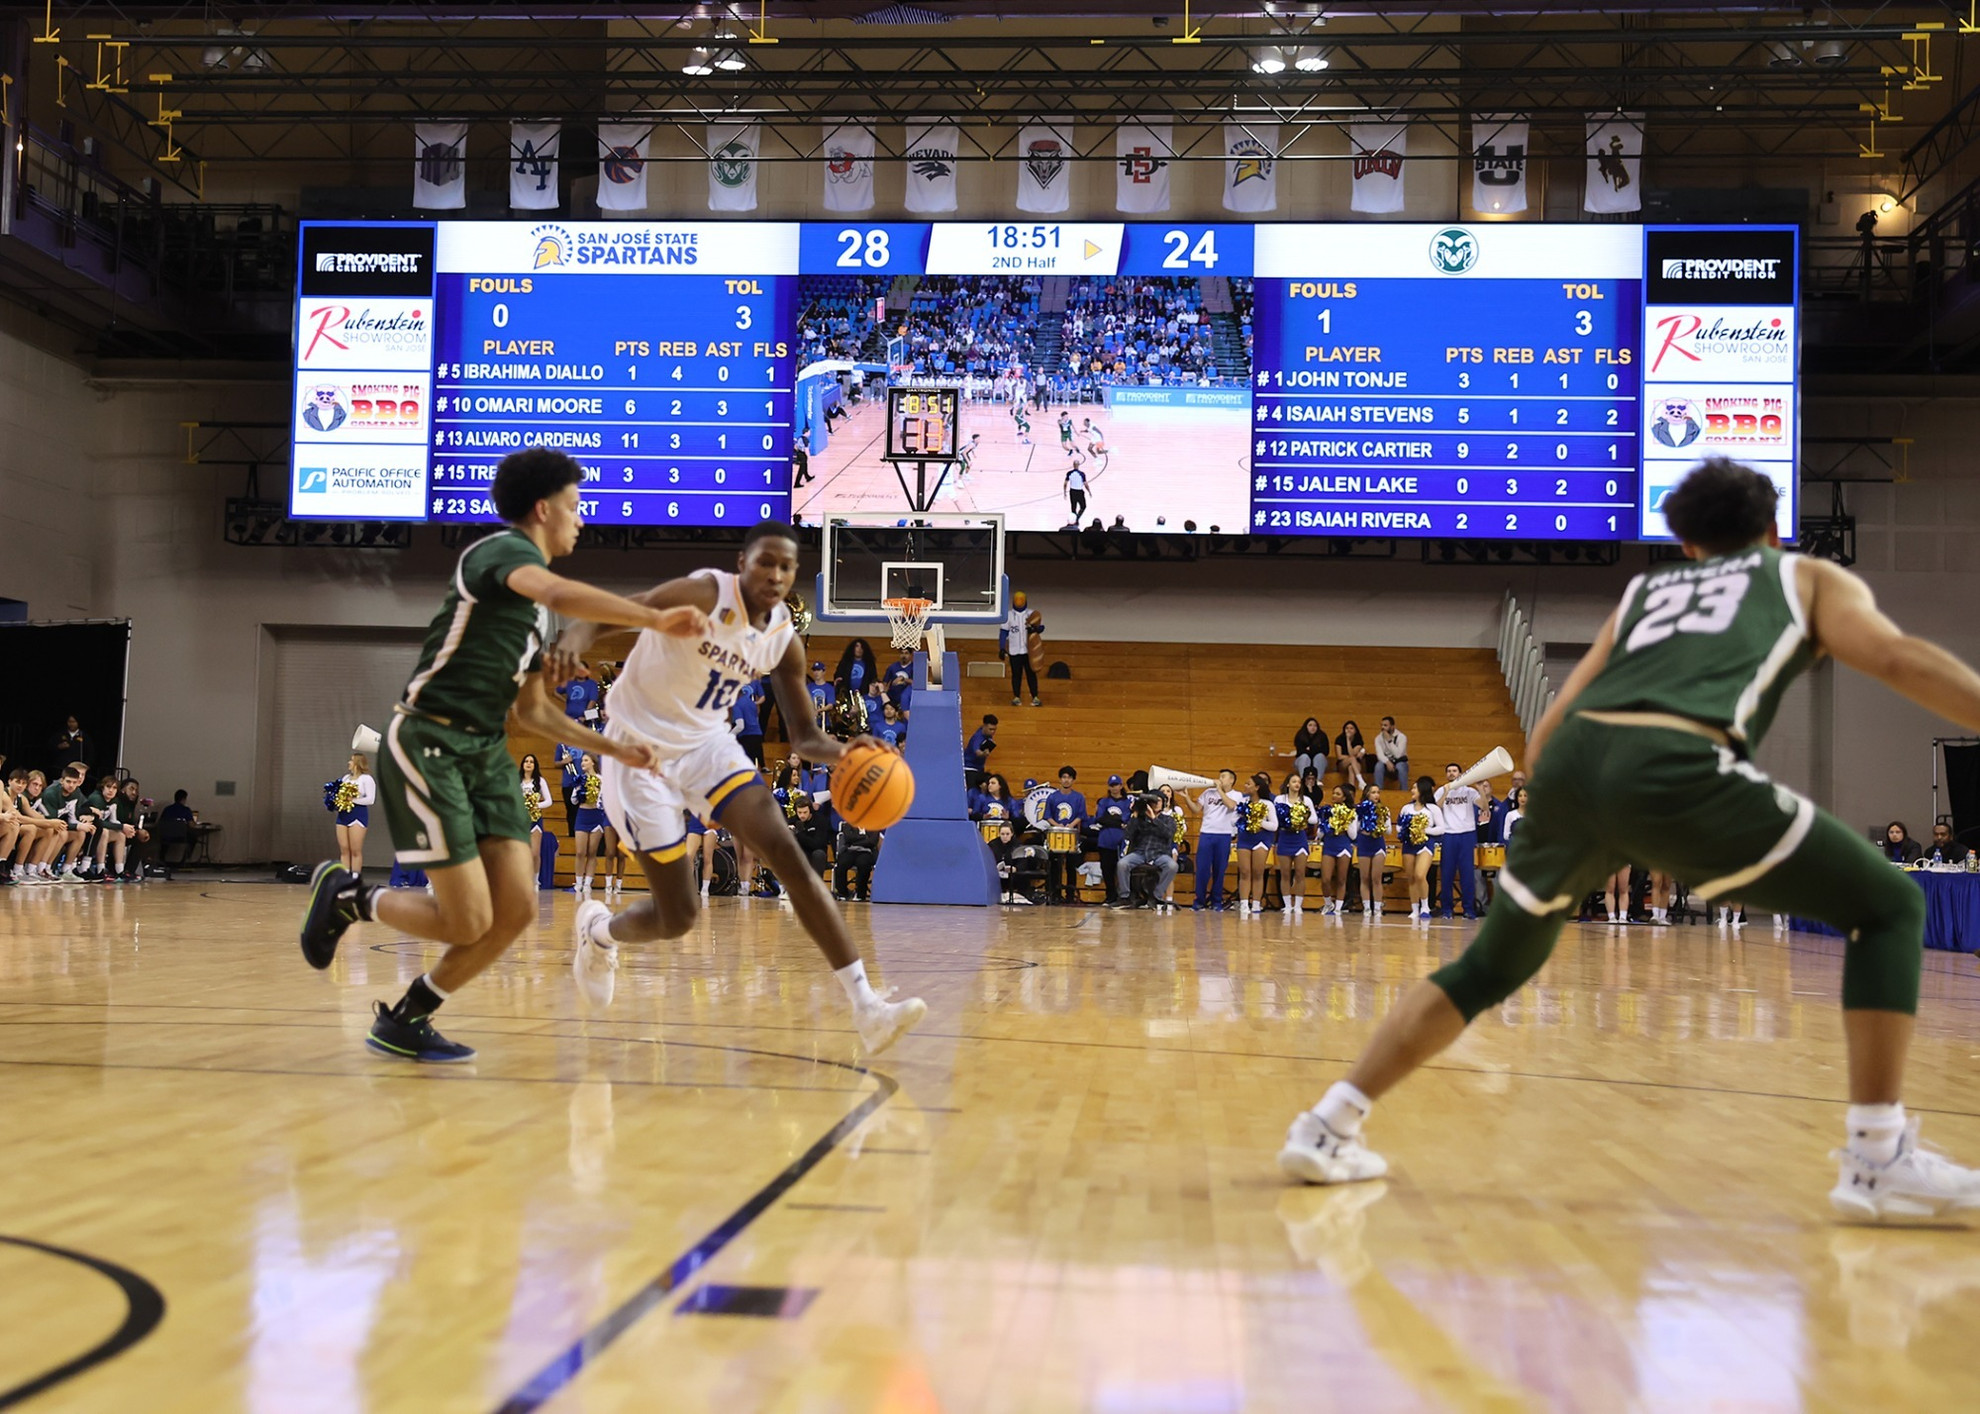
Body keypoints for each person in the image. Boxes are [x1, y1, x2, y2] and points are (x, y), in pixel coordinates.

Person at [1278, 456, 1980, 1224]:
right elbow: (1898, 658)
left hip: (1573, 768)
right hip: (1670, 761)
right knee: (1886, 907)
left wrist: (1598, 823)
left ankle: (1328, 1124)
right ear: (1775, 530)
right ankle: (1878, 1158)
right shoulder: (1806, 578)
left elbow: (1544, 735)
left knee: (1487, 968)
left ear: (1684, 545)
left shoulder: (1647, 593)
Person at [296, 447, 690, 1064]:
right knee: (464, 919)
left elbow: (531, 712)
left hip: (484, 754)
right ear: (543, 508)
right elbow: (559, 590)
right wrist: (652, 617)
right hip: (430, 743)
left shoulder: (533, 611)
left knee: (516, 911)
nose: (581, 519)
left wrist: (613, 747)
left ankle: (408, 1019)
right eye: (575, 505)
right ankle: (352, 897)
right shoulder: (503, 553)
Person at [553, 519, 926, 1055]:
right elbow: (620, 611)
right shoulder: (704, 594)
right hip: (639, 751)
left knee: (789, 856)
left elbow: (803, 738)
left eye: (786, 566)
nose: (775, 574)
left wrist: (849, 751)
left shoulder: (782, 642)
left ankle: (868, 1008)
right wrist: (573, 636)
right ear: (742, 564)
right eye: (765, 562)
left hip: (707, 745)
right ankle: (599, 934)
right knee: (678, 916)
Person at [1109, 793, 1178, 911]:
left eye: (1159, 801)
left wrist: (1154, 819)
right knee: (1122, 864)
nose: (1156, 804)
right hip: (1140, 852)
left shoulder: (1169, 819)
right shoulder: (1140, 819)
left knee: (1172, 866)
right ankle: (1124, 897)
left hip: (1160, 853)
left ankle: (1156, 896)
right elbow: (1128, 835)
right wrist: (1135, 815)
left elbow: (1169, 834)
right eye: (1154, 801)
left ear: (1164, 803)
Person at [1185, 769, 1241, 911]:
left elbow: (1231, 805)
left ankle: (1216, 901)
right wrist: (1186, 798)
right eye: (1219, 776)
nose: (1220, 779)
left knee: (1219, 869)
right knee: (1202, 869)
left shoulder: (1237, 795)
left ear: (1231, 780)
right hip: (1206, 833)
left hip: (1224, 835)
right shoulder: (1208, 793)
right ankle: (1199, 901)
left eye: (1223, 777)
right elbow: (1196, 809)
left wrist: (1220, 791)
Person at [1431, 762, 1480, 919]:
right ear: (1446, 775)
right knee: (1447, 874)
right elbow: (1435, 808)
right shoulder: (1442, 790)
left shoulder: (1470, 791)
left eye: (1455, 771)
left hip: (1467, 834)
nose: (1452, 773)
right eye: (1449, 771)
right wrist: (1446, 792)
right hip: (1449, 834)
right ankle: (1447, 910)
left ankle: (1469, 910)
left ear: (1461, 773)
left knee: (1467, 874)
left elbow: (1484, 806)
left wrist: (1481, 791)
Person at [1395, 777, 1441, 921]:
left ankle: (1425, 907)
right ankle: (1414, 908)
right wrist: (1404, 831)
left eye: (1415, 788)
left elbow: (1441, 828)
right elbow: (1399, 825)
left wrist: (1424, 830)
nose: (1412, 790)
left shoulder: (1433, 808)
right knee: (1412, 878)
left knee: (1420, 875)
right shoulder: (1406, 808)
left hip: (1425, 844)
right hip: (1409, 845)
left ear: (1422, 790)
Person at [1042, 766, 1088, 904]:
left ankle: (1070, 894)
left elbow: (1081, 815)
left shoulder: (1078, 797)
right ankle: (1054, 893)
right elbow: (1047, 815)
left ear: (1073, 780)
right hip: (1056, 834)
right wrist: (1057, 825)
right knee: (1055, 864)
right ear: (1060, 779)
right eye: (1064, 777)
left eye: (1069, 777)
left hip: (1071, 835)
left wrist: (1071, 825)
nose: (1066, 780)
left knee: (1070, 865)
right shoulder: (1052, 797)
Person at [1233, 772, 1277, 916]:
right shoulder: (1243, 803)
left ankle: (1256, 904)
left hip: (1261, 839)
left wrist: (1259, 822)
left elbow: (1274, 826)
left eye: (1248, 784)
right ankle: (1244, 904)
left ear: (1257, 787)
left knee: (1258, 873)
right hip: (1245, 839)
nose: (1245, 786)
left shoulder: (1268, 804)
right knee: (1244, 872)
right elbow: (1234, 821)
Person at [1312, 783, 1353, 917]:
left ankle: (1338, 908)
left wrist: (1344, 822)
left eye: (1338, 794)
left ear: (1344, 798)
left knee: (1341, 879)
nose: (1334, 796)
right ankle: (1328, 903)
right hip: (1329, 845)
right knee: (1326, 879)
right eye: (1334, 793)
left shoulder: (1351, 813)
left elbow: (1353, 835)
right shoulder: (1327, 811)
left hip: (1343, 845)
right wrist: (1323, 827)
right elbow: (1320, 833)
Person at [331, 751, 375, 877]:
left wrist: (353, 800)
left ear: (357, 763)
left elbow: (370, 799)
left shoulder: (367, 779)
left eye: (351, 760)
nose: (348, 763)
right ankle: (344, 876)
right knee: (344, 849)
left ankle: (355, 876)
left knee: (355, 849)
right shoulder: (346, 778)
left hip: (358, 814)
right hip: (343, 814)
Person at [1093, 776, 1133, 904]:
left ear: (1121, 786)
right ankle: (1110, 895)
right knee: (1107, 869)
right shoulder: (1103, 802)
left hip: (1121, 842)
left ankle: (1123, 895)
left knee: (1121, 869)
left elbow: (1126, 819)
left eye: (1116, 785)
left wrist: (1110, 820)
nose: (1114, 788)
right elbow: (1099, 818)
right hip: (1105, 840)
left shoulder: (1127, 803)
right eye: (1111, 785)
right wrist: (1117, 821)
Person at [1354, 784, 1391, 916]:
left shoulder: (1384, 809)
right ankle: (1367, 907)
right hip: (1364, 842)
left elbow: (1389, 831)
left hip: (1378, 843)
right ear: (1367, 794)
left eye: (1378, 792)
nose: (1376, 795)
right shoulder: (1359, 809)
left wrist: (1380, 824)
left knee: (1376, 878)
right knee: (1364, 877)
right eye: (1373, 792)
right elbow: (1355, 830)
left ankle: (1377, 907)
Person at [1002, 591, 1041, 707]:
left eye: (1021, 599)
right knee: (1016, 674)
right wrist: (1002, 648)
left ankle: (1035, 696)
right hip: (1014, 651)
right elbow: (1003, 632)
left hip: (1029, 652)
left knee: (1031, 674)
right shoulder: (1008, 615)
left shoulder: (1031, 614)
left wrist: (1034, 629)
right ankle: (1016, 696)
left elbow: (1041, 627)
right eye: (1017, 599)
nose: (1019, 602)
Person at [834, 820, 881, 902]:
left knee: (863, 864)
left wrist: (856, 840)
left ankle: (860, 894)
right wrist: (864, 837)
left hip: (866, 851)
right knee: (841, 863)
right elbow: (848, 838)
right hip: (850, 850)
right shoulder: (849, 823)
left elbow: (872, 841)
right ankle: (842, 893)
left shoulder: (874, 824)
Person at [789, 794, 834, 876]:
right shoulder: (792, 821)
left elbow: (818, 844)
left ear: (810, 811)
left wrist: (798, 834)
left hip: (815, 853)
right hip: (799, 853)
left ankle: (816, 885)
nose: (802, 815)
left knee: (819, 854)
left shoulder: (820, 820)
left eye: (805, 812)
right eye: (799, 812)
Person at [989, 820, 1032, 904]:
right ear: (999, 834)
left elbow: (1023, 861)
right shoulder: (993, 844)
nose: (1005, 836)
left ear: (1012, 834)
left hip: (1012, 873)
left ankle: (1022, 895)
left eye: (1007, 834)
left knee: (1023, 876)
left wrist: (1015, 868)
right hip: (997, 874)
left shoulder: (1017, 844)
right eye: (1002, 834)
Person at [1373, 717, 1410, 790]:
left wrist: (1389, 741)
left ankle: (1404, 791)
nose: (1383, 727)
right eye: (1382, 725)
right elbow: (1379, 755)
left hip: (1400, 762)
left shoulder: (1401, 737)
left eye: (1385, 725)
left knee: (1400, 766)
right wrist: (1387, 762)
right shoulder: (1378, 738)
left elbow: (1398, 755)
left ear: (1392, 727)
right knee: (1378, 766)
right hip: (1386, 762)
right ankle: (1377, 791)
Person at [1334, 721, 1371, 791]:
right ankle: (1361, 780)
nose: (1349, 730)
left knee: (1351, 767)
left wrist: (1348, 742)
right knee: (1352, 759)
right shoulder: (1339, 739)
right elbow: (1339, 756)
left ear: (1355, 730)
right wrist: (1347, 739)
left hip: (1356, 764)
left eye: (1351, 728)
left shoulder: (1358, 740)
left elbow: (1352, 753)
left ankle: (1351, 790)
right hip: (1343, 764)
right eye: (1347, 728)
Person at [964, 714, 998, 788]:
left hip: (979, 768)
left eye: (994, 729)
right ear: (984, 726)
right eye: (990, 729)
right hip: (970, 768)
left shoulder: (986, 734)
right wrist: (983, 754)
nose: (992, 732)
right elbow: (977, 752)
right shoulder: (977, 738)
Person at [1064, 458, 1090, 523]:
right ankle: (1077, 518)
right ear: (1079, 465)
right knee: (1083, 506)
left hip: (1072, 492)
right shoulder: (1082, 474)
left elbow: (1065, 483)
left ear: (1073, 465)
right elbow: (1085, 484)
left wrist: (1065, 492)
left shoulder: (1069, 473)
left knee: (1073, 507)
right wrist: (1089, 491)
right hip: (1079, 492)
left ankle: (1074, 519)